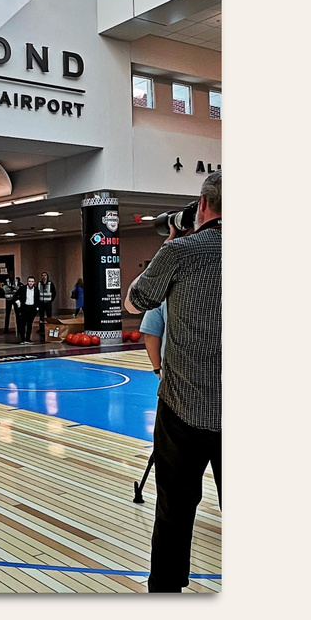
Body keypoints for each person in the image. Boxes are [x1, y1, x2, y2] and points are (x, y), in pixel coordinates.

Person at [124, 170, 222, 593]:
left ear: (202, 204)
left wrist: (169, 244)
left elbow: (135, 301)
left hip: (184, 407)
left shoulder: (182, 251)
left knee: (175, 511)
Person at [13, 276, 38, 345]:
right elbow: (15, 295)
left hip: (32, 308)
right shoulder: (22, 288)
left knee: (30, 324)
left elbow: (37, 299)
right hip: (24, 308)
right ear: (27, 282)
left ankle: (28, 339)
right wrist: (18, 301)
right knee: (23, 324)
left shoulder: (36, 290)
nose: (31, 283)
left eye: (32, 281)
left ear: (34, 282)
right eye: (29, 281)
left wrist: (37, 307)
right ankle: (22, 339)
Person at [36, 272, 56, 342]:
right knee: (41, 317)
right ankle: (41, 328)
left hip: (48, 303)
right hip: (41, 302)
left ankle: (49, 328)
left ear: (47, 276)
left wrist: (51, 300)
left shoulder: (50, 283)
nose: (44, 277)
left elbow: (54, 293)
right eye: (42, 275)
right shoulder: (39, 284)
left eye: (45, 275)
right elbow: (37, 293)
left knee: (49, 316)